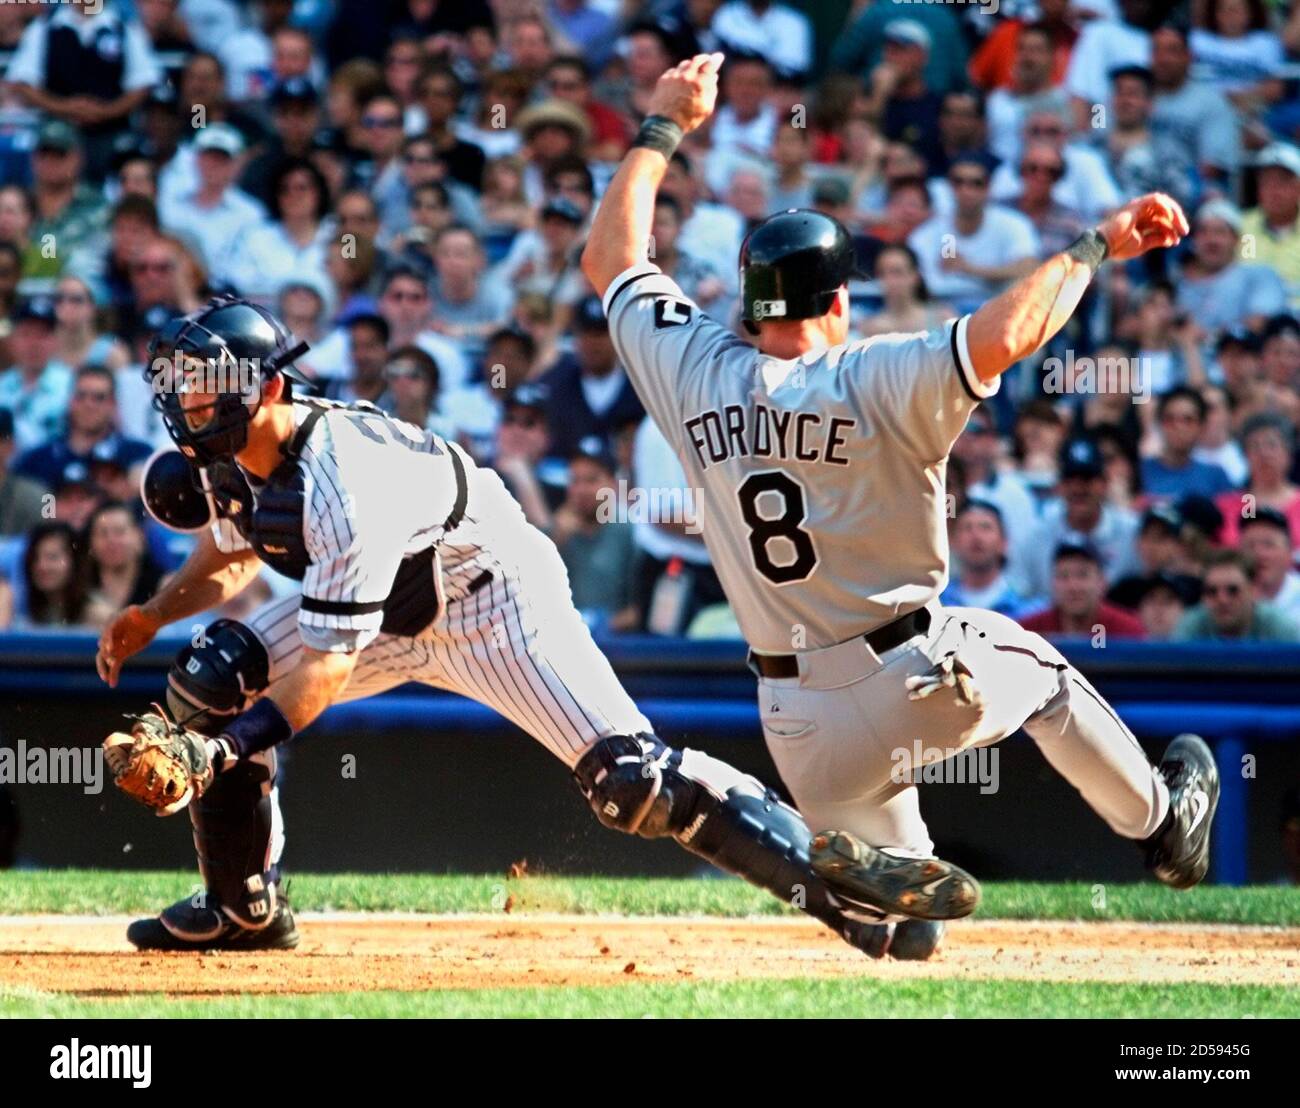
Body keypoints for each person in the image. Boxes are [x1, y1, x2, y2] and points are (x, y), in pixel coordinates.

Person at [581, 53, 1216, 961]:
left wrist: (665, 123)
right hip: (918, 667)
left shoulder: (690, 369)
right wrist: (1094, 246)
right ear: (839, 298)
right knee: (1044, 676)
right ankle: (1163, 827)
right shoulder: (877, 373)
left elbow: (610, 256)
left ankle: (867, 884)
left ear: (755, 295)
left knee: (910, 932)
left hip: (795, 716)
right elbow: (1006, 335)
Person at [96, 296, 888, 959]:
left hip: (489, 597)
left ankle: (842, 882)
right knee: (213, 676)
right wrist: (153, 613)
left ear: (264, 391)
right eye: (187, 383)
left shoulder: (343, 480)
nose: (187, 397)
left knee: (633, 786)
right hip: (381, 608)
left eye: (205, 383)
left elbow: (330, 668)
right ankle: (242, 911)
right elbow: (232, 550)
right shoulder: (224, 449)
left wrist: (220, 750)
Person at [550, 439, 639, 631]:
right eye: (574, 481)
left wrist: (600, 625)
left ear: (613, 484)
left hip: (617, 647)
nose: (581, 490)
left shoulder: (628, 532)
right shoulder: (554, 533)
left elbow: (638, 611)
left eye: (591, 480)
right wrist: (556, 542)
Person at [1019, 542, 1146, 639]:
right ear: (1052, 583)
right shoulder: (1029, 632)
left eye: (1082, 575)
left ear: (1102, 582)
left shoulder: (1128, 631)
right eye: (1064, 576)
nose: (1073, 586)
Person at [1173, 548, 1300, 641]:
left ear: (1253, 590)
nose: (1222, 599)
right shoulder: (1191, 627)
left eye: (1232, 590)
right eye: (1212, 591)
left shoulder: (1280, 629)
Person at [81, 500, 165, 629]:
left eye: (119, 532)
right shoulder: (79, 587)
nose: (111, 541)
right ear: (91, 542)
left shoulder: (164, 586)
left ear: (139, 536)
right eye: (103, 533)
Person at [1140, 386, 1234, 501]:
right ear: (1159, 424)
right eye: (1170, 419)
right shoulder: (1140, 471)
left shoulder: (1215, 476)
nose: (1179, 427)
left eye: (1188, 420)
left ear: (1202, 426)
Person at [940, 500, 1026, 617]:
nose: (976, 536)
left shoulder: (1025, 606)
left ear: (1004, 542)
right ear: (952, 541)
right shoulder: (938, 603)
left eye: (985, 527)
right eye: (967, 528)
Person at [17, 520, 88, 628]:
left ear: (75, 561)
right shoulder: (24, 611)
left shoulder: (96, 616)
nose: (42, 566)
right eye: (35, 558)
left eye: (52, 557)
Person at [1239, 508, 1300, 623]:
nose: (1258, 554)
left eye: (1269, 545)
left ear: (1290, 553)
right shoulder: (1225, 597)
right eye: (1250, 546)